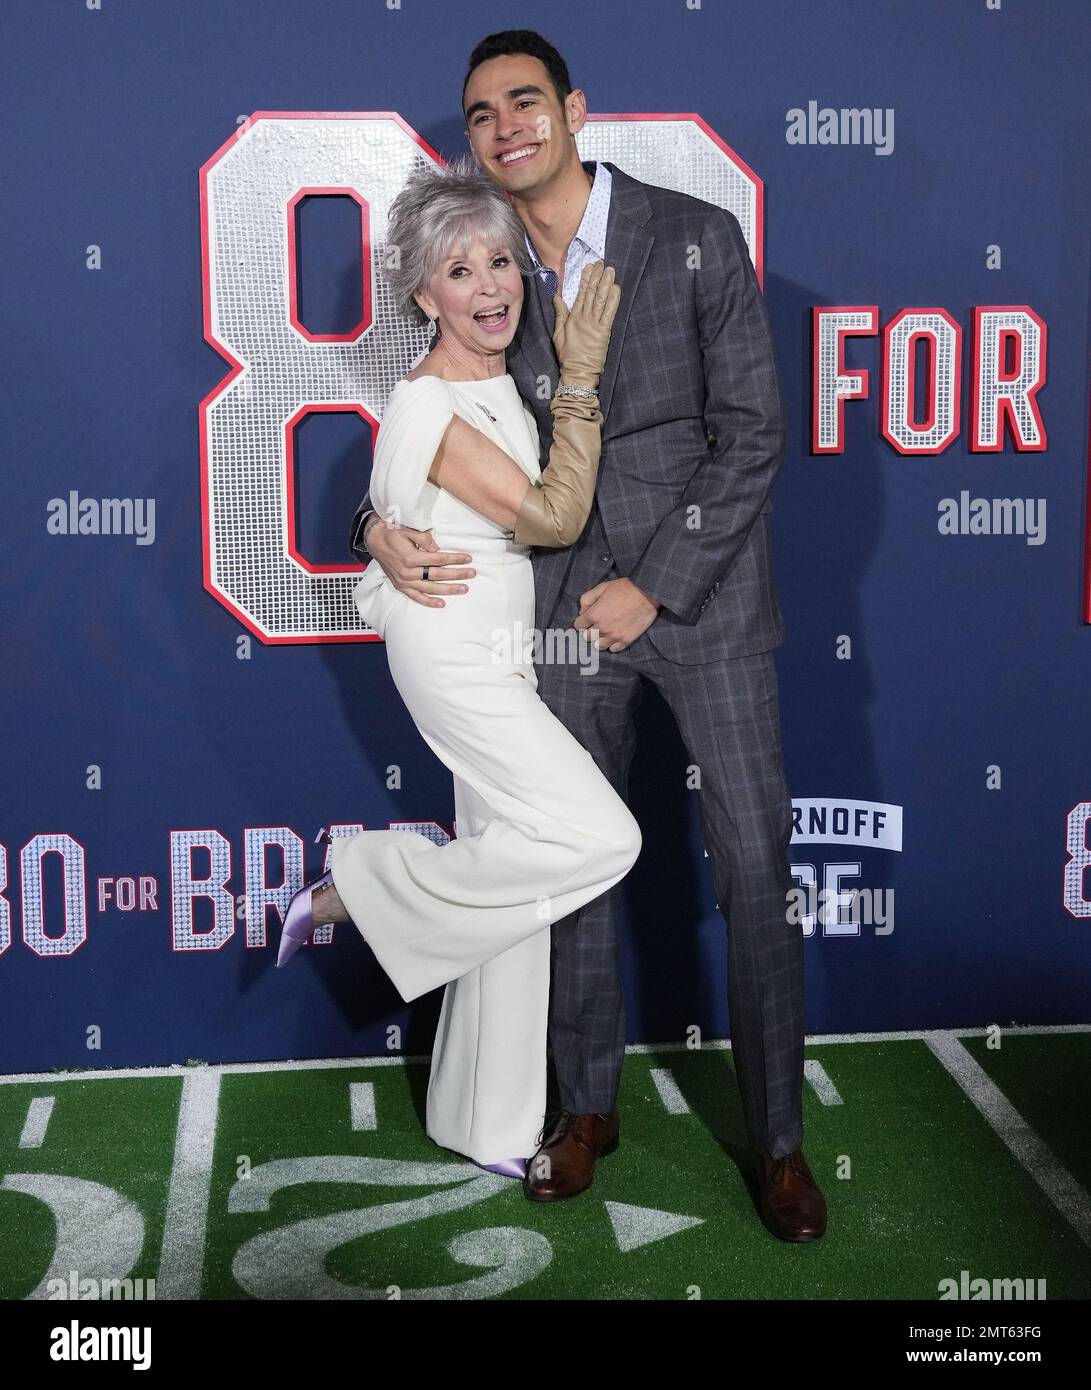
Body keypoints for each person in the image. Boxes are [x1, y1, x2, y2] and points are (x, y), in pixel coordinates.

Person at [350, 30, 828, 1239]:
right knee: (570, 864)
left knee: (756, 875)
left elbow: (753, 434)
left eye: (524, 101)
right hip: (557, 619)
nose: (504, 125)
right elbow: (436, 403)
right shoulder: (492, 255)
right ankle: (584, 1107)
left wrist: (656, 585)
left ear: (571, 108)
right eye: (480, 113)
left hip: (700, 605)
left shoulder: (692, 234)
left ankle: (776, 1143)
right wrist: (374, 522)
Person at [278, 155, 639, 1180]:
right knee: (601, 836)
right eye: (457, 270)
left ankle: (484, 1123)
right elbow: (553, 515)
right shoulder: (430, 401)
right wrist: (578, 372)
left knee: (512, 876)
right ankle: (354, 887)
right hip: (455, 652)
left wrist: (375, 524)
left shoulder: (492, 381)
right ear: (419, 292)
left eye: (498, 261)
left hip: (500, 646)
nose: (487, 286)